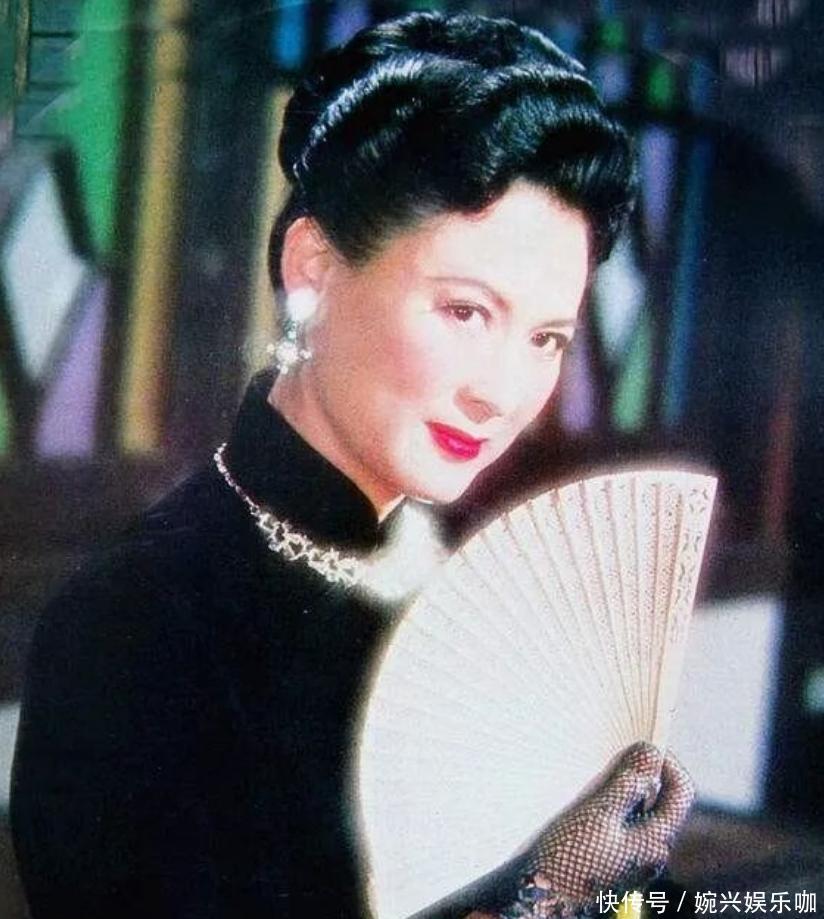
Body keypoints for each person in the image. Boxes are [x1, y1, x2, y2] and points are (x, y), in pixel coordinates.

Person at [10, 11, 694, 919]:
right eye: (465, 311)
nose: (501, 392)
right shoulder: (133, 627)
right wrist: (544, 897)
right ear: (313, 268)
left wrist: (621, 887)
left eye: (547, 338)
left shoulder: (458, 588)